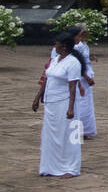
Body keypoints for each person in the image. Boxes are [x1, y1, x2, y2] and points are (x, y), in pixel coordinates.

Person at [37, 33, 88, 178]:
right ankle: (50, 166)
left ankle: (72, 167)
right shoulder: (55, 59)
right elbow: (47, 78)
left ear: (64, 47)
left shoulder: (73, 63)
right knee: (50, 135)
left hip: (65, 103)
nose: (55, 46)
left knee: (71, 135)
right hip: (51, 103)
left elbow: (73, 87)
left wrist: (71, 108)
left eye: (57, 44)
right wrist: (38, 97)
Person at [72, 24, 97, 139]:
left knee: (87, 104)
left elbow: (83, 58)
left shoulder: (84, 44)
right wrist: (86, 77)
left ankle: (86, 129)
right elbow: (77, 63)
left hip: (87, 71)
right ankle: (78, 129)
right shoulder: (77, 46)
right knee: (81, 103)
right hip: (82, 76)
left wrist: (90, 58)